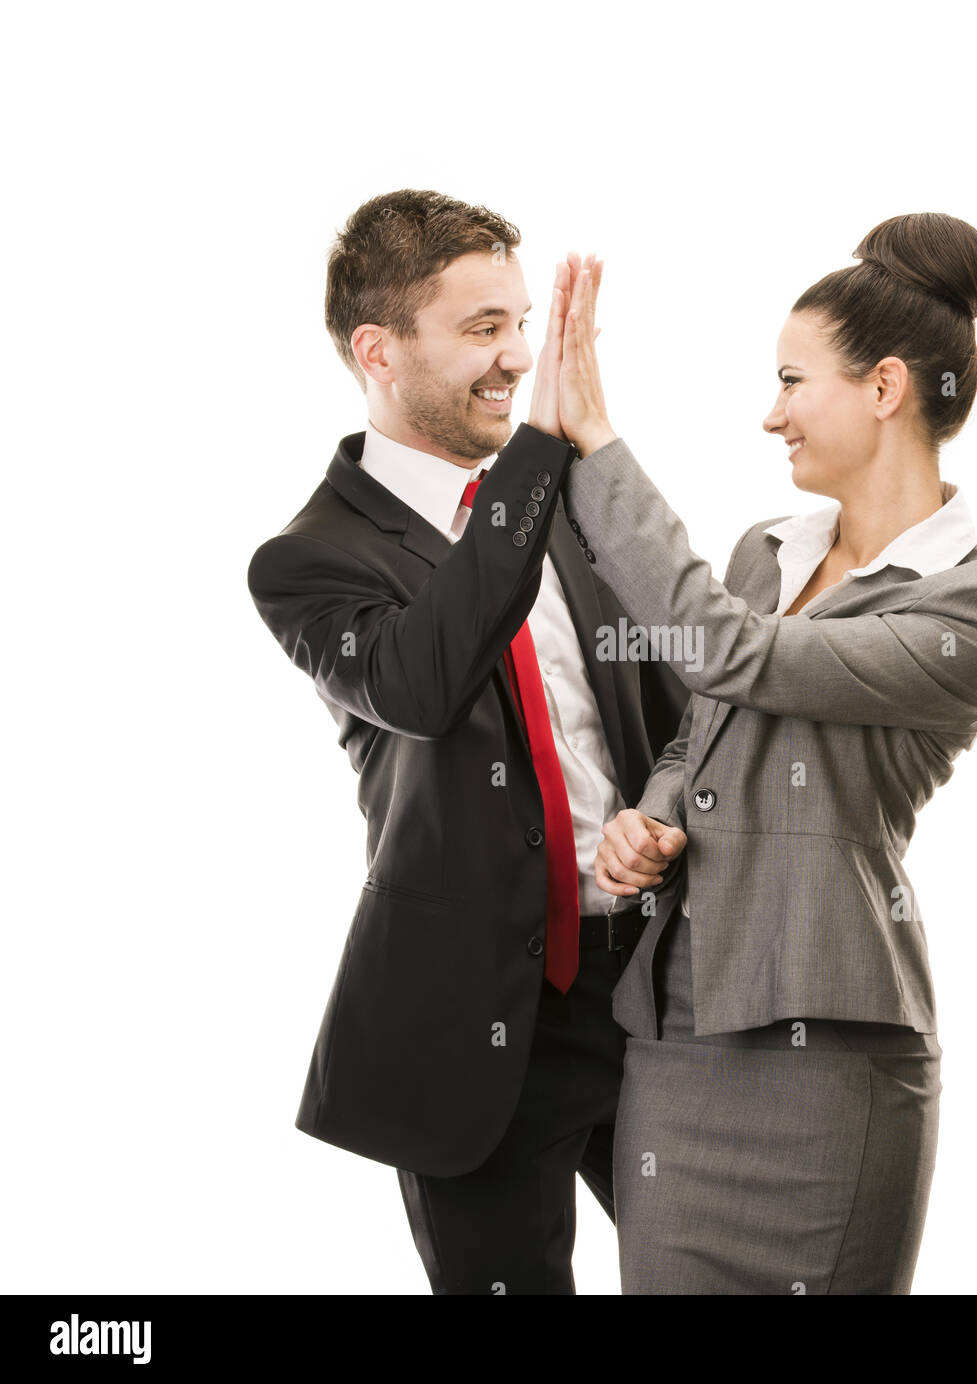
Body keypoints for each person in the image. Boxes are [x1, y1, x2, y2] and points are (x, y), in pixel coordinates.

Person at [550, 215, 977, 1293]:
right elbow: (703, 725)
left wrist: (597, 441)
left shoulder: (973, 609)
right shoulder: (767, 552)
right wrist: (657, 812)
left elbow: (730, 653)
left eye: (790, 380)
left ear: (884, 387)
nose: (770, 414)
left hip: (833, 1057)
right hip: (680, 1035)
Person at [245, 190, 688, 1294]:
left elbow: (684, 699)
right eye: (484, 329)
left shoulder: (572, 502)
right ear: (377, 350)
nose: (519, 357)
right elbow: (425, 677)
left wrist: (665, 814)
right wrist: (540, 454)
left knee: (726, 1275)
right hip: (476, 1025)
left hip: (651, 996)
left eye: (523, 323)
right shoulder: (306, 561)